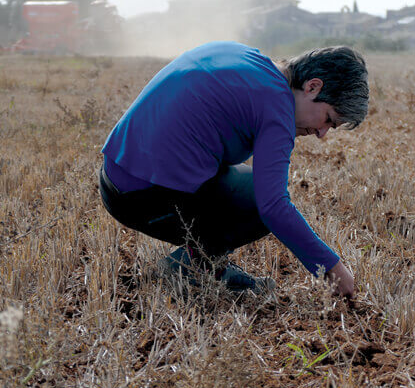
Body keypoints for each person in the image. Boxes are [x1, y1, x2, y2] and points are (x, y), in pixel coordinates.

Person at [98, 41, 368, 296]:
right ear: (313, 87)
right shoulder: (276, 109)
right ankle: (187, 269)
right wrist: (332, 268)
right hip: (141, 199)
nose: (321, 133)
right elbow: (273, 206)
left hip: (113, 179)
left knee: (243, 182)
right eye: (328, 120)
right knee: (255, 200)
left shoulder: (244, 56)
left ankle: (204, 266)